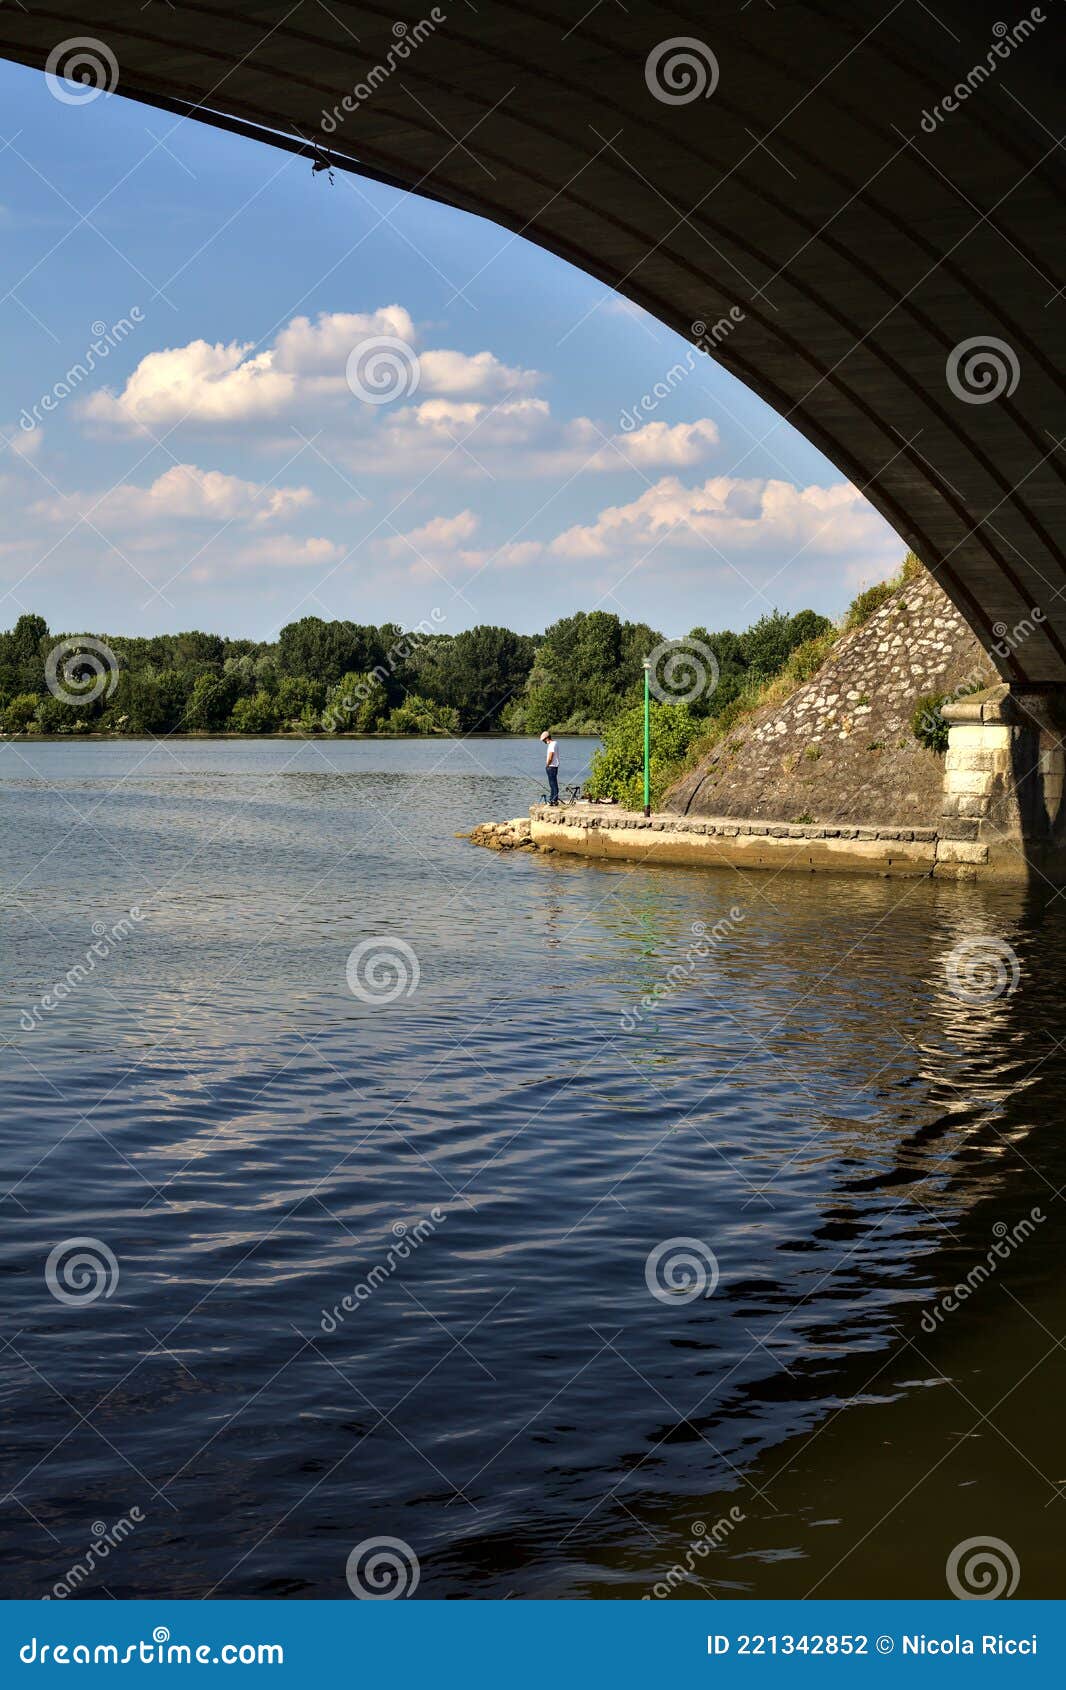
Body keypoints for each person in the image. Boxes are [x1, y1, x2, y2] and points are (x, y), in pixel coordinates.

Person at [540, 729, 560, 804]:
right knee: (553, 784)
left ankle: (553, 800)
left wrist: (547, 765)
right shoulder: (556, 743)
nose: (544, 742)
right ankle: (553, 799)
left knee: (552, 784)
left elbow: (551, 757)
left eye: (543, 740)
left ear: (547, 738)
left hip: (551, 766)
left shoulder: (551, 745)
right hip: (554, 766)